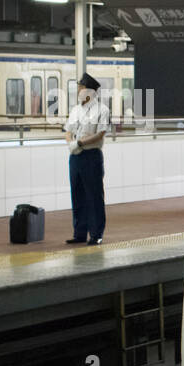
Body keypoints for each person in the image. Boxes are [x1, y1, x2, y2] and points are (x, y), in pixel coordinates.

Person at [64, 72, 109, 245]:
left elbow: (100, 133)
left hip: (91, 156)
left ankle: (96, 233)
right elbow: (68, 131)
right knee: (77, 194)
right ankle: (79, 233)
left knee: (94, 196)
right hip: (76, 156)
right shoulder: (76, 110)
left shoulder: (102, 110)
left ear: (90, 91)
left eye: (81, 88)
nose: (79, 91)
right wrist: (71, 143)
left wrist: (80, 143)